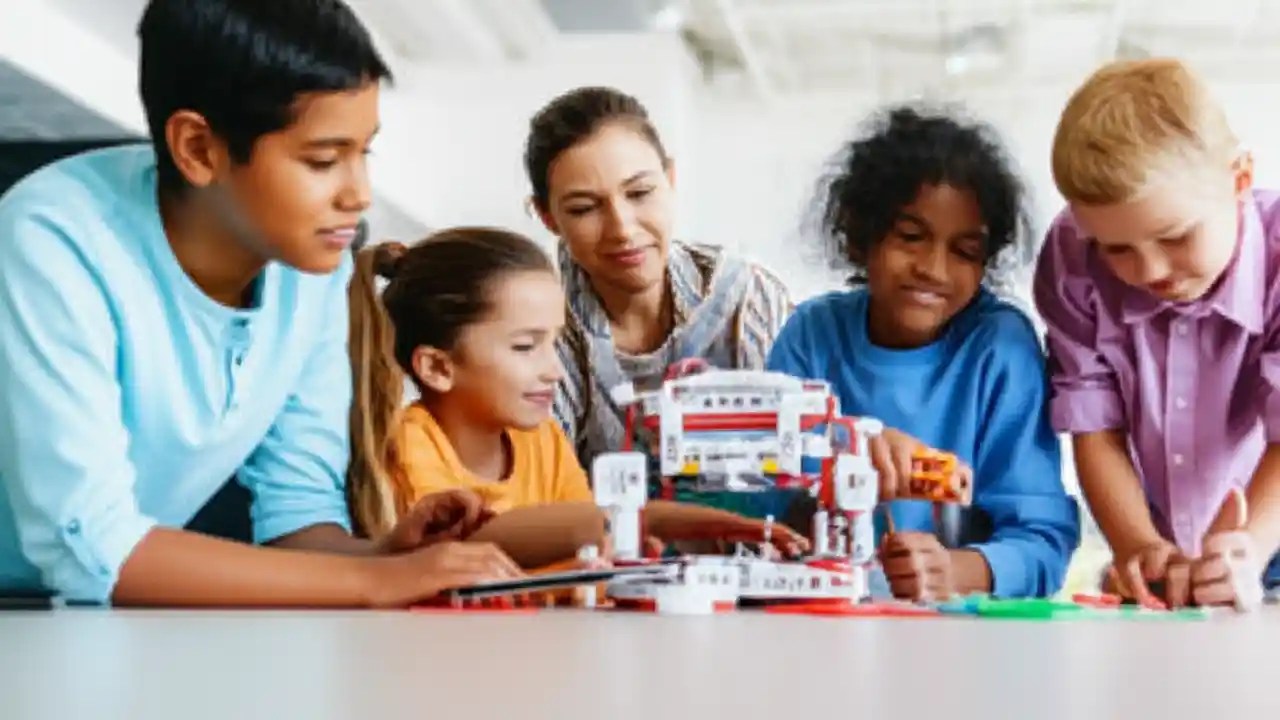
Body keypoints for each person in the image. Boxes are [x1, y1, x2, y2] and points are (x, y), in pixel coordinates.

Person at [0, 0, 521, 608]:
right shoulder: (52, 240)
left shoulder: (312, 268)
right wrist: (374, 582)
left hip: (76, 617)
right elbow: (93, 547)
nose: (358, 194)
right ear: (198, 148)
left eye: (364, 152)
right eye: (323, 160)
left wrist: (391, 556)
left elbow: (298, 516)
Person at [345, 227, 809, 571]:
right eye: (526, 347)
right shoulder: (411, 442)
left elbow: (591, 536)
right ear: (438, 368)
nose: (553, 369)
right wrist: (661, 522)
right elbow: (467, 550)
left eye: (554, 342)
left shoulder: (541, 437)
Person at [768, 106, 1081, 600]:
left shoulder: (1000, 350)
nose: (934, 269)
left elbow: (1043, 542)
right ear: (858, 234)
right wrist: (840, 464)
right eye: (911, 237)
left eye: (965, 251)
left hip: (963, 645)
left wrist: (955, 570)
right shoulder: (812, 335)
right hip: (825, 630)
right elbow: (753, 515)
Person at [1035, 57, 1280, 609]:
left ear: (1239, 179)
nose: (1148, 272)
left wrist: (1250, 548)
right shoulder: (1073, 259)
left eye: (1175, 236)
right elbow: (1095, 428)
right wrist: (1137, 545)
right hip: (1159, 529)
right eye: (1116, 248)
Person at [524, 85, 794, 520]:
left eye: (639, 193)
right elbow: (540, 491)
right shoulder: (540, 329)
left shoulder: (748, 298)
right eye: (584, 208)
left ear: (670, 180)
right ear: (547, 217)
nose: (622, 229)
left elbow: (795, 461)